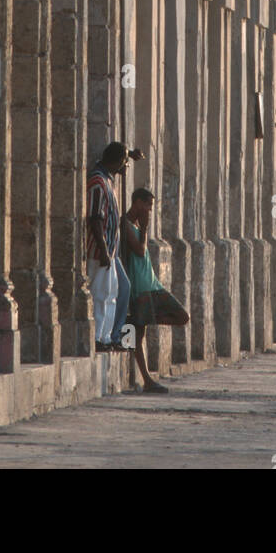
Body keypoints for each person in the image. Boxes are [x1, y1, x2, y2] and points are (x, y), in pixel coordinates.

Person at [123, 188, 189, 394]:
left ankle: (144, 320)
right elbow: (139, 250)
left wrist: (143, 228)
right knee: (138, 334)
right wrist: (144, 229)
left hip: (152, 285)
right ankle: (147, 380)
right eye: (147, 205)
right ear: (137, 203)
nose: (149, 210)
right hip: (139, 288)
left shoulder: (136, 225)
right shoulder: (125, 224)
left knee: (182, 316)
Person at [86, 142, 129, 352]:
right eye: (125, 160)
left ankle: (105, 337)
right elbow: (95, 218)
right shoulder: (97, 181)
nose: (125, 165)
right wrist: (103, 249)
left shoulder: (108, 181)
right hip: (99, 250)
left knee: (111, 294)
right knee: (100, 294)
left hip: (110, 251)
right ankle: (96, 337)